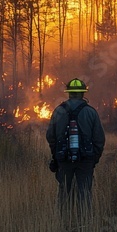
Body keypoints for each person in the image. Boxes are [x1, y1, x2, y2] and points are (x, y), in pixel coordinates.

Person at [46, 78, 105, 210]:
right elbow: (99, 139)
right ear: (83, 93)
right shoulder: (91, 112)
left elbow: (50, 136)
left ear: (69, 93)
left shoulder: (58, 111)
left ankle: (63, 222)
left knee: (63, 194)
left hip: (64, 159)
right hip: (86, 160)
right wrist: (94, 159)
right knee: (84, 193)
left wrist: (56, 156)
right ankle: (84, 224)